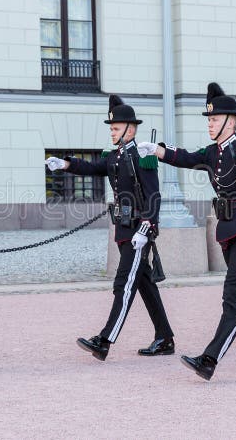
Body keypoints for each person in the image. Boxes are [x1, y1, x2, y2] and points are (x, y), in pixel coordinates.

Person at [138, 82, 236, 381]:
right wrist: (159, 151)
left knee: (233, 299)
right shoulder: (214, 153)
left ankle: (209, 359)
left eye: (215, 120)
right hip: (228, 234)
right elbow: (189, 158)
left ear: (231, 122)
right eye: (208, 120)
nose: (210, 124)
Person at [45, 95, 175, 361]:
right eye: (111, 128)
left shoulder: (143, 156)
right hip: (125, 227)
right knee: (145, 285)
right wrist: (66, 164)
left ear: (131, 129)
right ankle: (165, 338)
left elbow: (154, 196)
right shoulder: (115, 156)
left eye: (116, 128)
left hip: (140, 228)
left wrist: (147, 227)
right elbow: (94, 168)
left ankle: (105, 340)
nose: (112, 132)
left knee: (123, 283)